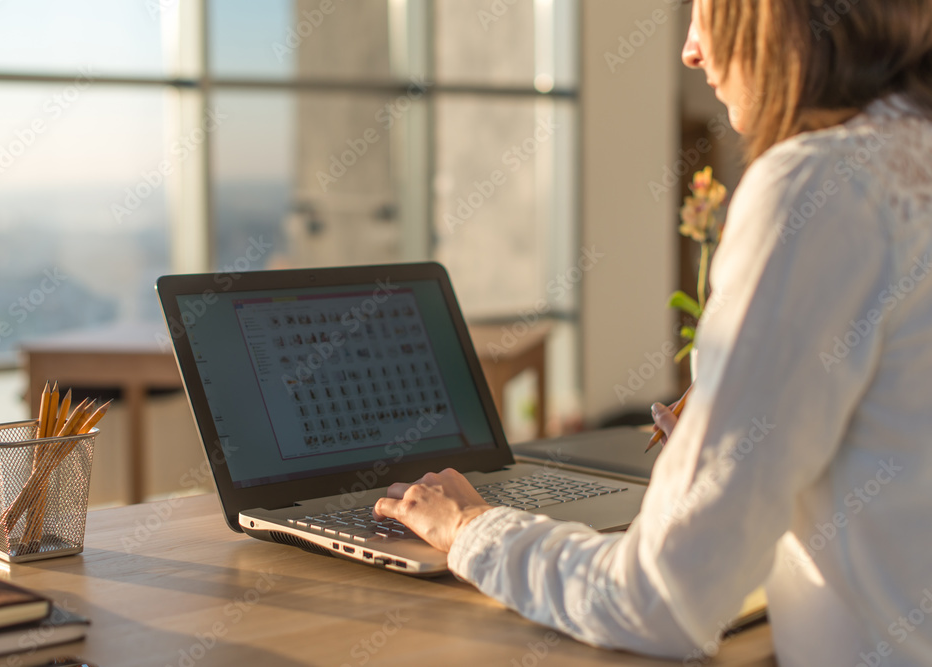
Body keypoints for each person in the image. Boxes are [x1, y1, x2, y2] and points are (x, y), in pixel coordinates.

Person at [373, 0, 932, 663]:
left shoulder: (817, 186)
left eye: (705, 10)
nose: (690, 49)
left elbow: (659, 602)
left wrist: (471, 527)